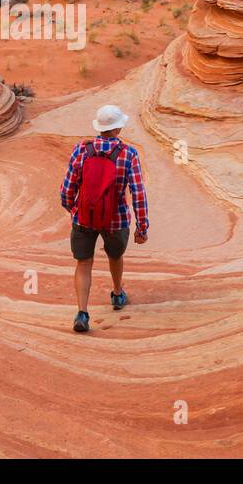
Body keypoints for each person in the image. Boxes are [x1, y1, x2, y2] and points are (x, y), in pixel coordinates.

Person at [59, 104, 148, 332]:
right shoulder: (129, 154)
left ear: (99, 128)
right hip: (116, 220)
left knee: (83, 263)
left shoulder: (82, 149)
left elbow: (68, 188)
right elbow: (137, 192)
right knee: (115, 256)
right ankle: (118, 295)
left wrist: (74, 210)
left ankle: (82, 312)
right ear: (118, 129)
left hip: (84, 218)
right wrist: (142, 227)